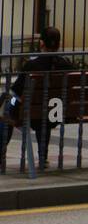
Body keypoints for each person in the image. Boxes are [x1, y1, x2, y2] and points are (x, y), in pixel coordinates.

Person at [0, 26, 73, 169]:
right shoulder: (66, 65)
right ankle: (43, 157)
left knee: (7, 105)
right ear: (59, 44)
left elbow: (15, 91)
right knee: (44, 111)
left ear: (41, 43)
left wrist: (8, 98)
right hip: (57, 113)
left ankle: (0, 154)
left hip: (31, 112)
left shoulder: (32, 65)